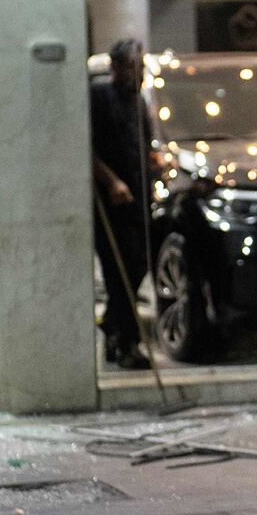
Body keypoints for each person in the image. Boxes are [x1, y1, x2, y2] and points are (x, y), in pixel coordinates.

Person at [91, 38, 158, 370]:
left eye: (141, 67)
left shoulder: (139, 101)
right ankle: (128, 343)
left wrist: (156, 163)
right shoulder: (99, 96)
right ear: (116, 67)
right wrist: (111, 181)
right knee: (119, 272)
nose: (139, 74)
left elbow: (143, 147)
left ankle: (111, 326)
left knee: (139, 264)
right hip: (110, 202)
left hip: (139, 199)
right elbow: (86, 148)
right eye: (133, 67)